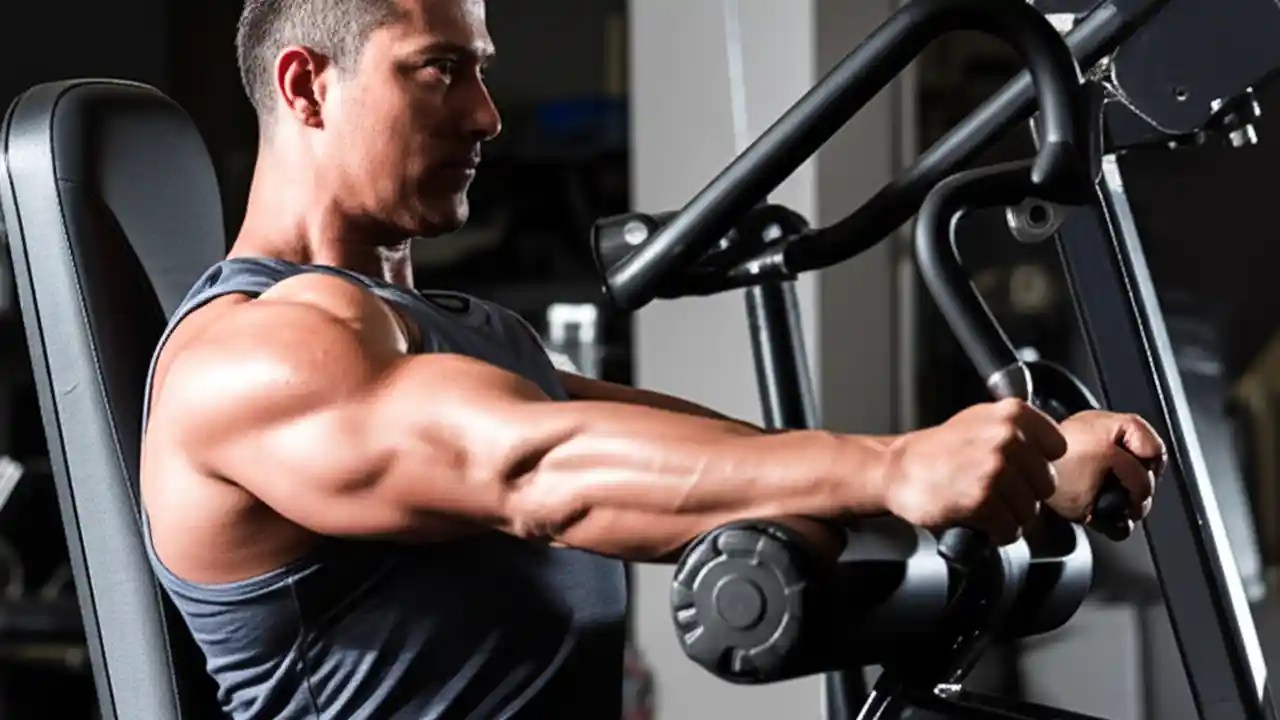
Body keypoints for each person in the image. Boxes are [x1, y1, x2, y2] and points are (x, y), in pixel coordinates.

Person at [138, 0, 1167, 718]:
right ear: (306, 85)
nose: (486, 114)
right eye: (441, 69)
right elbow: (533, 470)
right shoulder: (251, 358)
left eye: (481, 70)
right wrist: (897, 469)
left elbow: (735, 463)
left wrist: (1010, 468)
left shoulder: (468, 335)